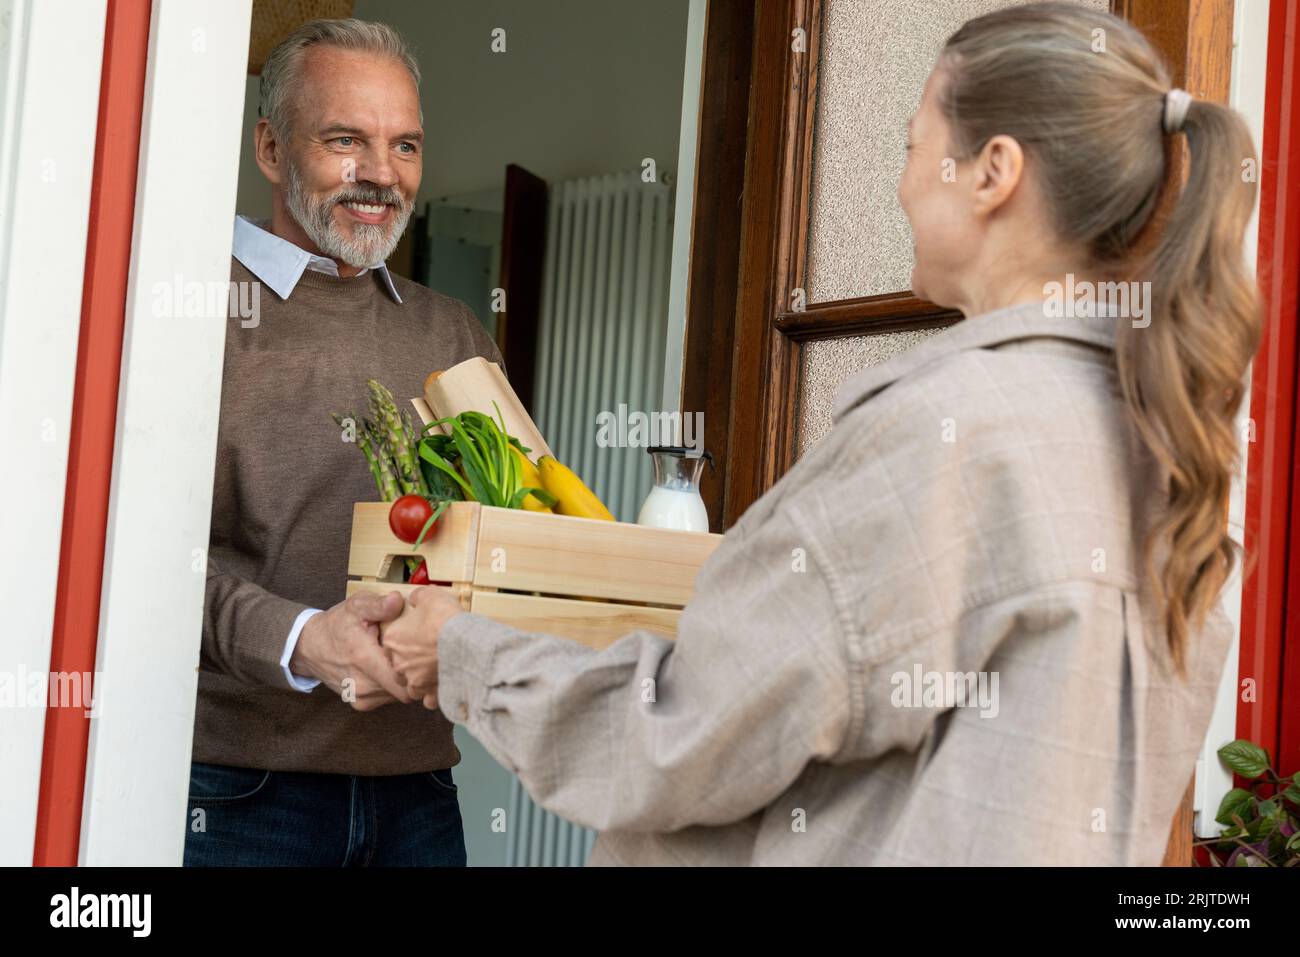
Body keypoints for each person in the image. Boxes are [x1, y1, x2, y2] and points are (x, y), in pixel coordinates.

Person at [381, 3, 1261, 865]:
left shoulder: (943, 434)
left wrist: (461, 649)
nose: (902, 181)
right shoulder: (1169, 442)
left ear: (993, 172)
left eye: (911, 146)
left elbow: (683, 737)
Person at [188, 19, 503, 866]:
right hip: (239, 790)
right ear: (270, 147)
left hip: (422, 789)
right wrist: (300, 641)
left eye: (405, 145)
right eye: (345, 140)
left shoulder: (454, 333)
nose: (381, 174)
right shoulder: (190, 314)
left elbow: (505, 535)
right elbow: (134, 563)